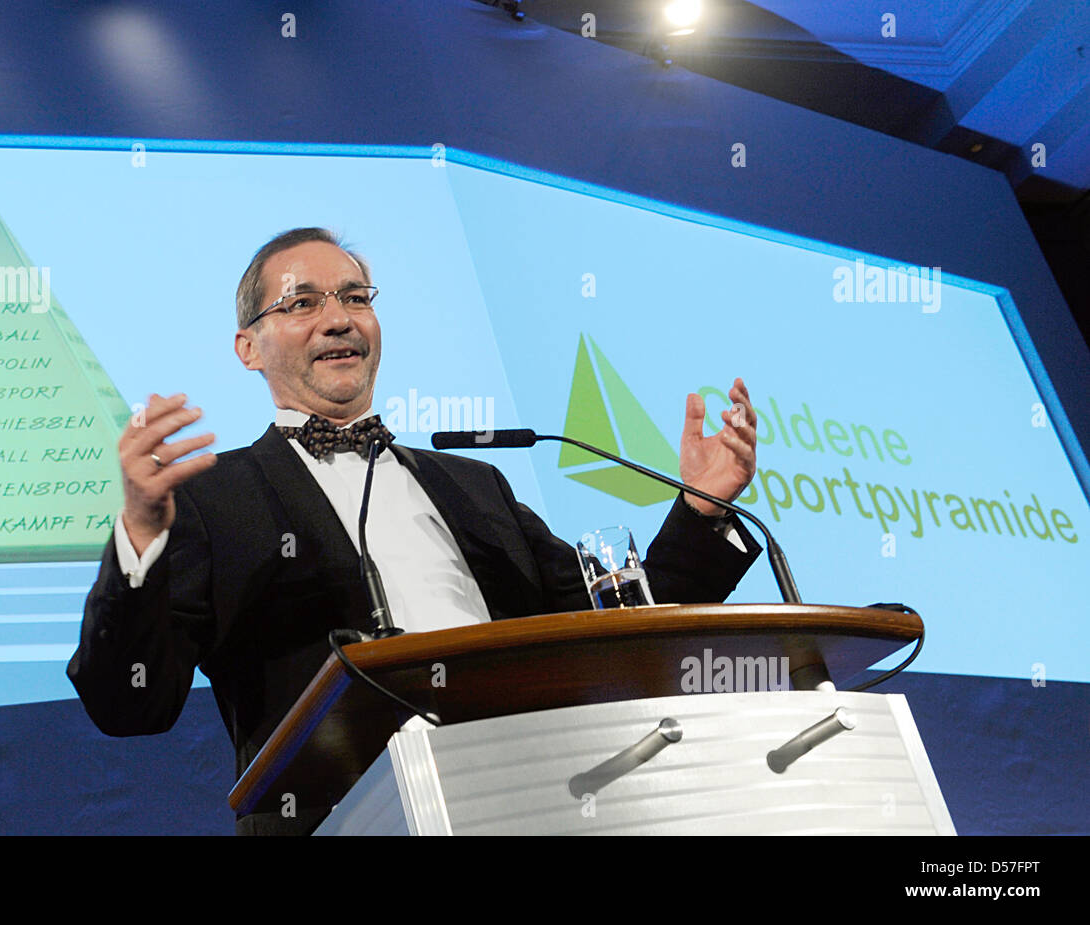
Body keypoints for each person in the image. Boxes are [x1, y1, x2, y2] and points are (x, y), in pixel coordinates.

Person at [67, 227, 763, 835]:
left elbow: (610, 629)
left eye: (356, 296)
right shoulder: (213, 497)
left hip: (534, 796)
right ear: (248, 346)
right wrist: (140, 532)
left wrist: (700, 508)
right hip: (342, 816)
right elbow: (131, 700)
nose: (338, 318)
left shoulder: (473, 483)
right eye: (302, 302)